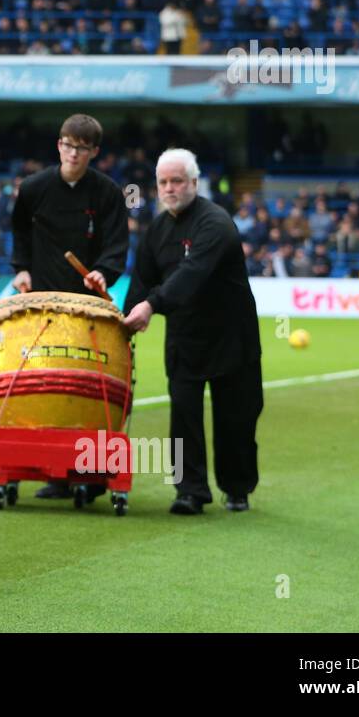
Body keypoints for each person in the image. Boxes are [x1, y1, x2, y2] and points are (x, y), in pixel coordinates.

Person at [122, 148, 263, 514]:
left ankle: (237, 489)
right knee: (184, 414)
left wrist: (152, 305)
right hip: (185, 338)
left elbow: (191, 274)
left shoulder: (215, 223)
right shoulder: (156, 229)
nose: (169, 188)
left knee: (236, 418)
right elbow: (142, 280)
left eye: (177, 181)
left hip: (232, 337)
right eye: (163, 182)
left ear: (195, 183)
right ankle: (190, 491)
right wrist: (122, 321)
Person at [9, 113, 129, 500]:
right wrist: (21, 270)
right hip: (43, 301)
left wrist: (102, 272)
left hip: (88, 307)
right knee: (49, 381)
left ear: (94, 152)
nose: (72, 153)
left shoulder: (108, 193)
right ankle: (55, 473)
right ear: (58, 145)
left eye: (81, 147)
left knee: (89, 386)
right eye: (67, 144)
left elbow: (116, 244)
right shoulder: (32, 188)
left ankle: (91, 475)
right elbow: (20, 234)